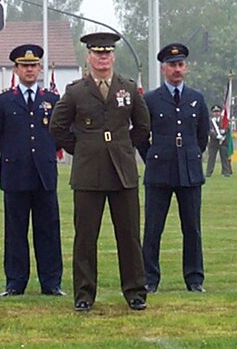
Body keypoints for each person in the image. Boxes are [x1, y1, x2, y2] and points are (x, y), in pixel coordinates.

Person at [50, 32, 150, 312]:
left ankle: (135, 292)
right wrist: (82, 148)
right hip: (88, 173)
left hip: (123, 173)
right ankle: (84, 294)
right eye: (97, 53)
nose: (102, 58)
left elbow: (143, 127)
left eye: (107, 53)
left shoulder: (128, 89)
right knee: (85, 237)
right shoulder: (76, 91)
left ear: (114, 57)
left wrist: (124, 146)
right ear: (88, 57)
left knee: (129, 235)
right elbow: (57, 128)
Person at [0, 44, 64, 297]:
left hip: (44, 174)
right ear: (16, 69)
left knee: (48, 230)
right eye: (24, 66)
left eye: (33, 66)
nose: (29, 70)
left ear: (40, 69)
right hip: (16, 175)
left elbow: (61, 133)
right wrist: (14, 151)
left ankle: (51, 283)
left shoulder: (51, 101)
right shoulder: (5, 100)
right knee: (15, 231)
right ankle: (15, 282)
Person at [139, 42, 209, 294]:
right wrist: (154, 158)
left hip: (189, 172)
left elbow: (202, 136)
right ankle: (149, 278)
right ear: (163, 68)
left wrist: (191, 155)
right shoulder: (150, 99)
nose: (176, 69)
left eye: (180, 64)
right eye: (172, 65)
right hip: (159, 171)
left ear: (185, 67)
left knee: (192, 228)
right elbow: (141, 137)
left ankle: (194, 278)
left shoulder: (196, 99)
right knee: (153, 228)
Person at [205, 104, 232, 178]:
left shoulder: (224, 120)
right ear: (212, 113)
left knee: (224, 158)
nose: (216, 113)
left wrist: (223, 133)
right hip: (213, 142)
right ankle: (208, 173)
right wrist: (216, 135)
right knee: (211, 158)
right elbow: (209, 130)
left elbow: (227, 129)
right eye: (214, 112)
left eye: (218, 111)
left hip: (223, 142)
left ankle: (226, 172)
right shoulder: (210, 121)